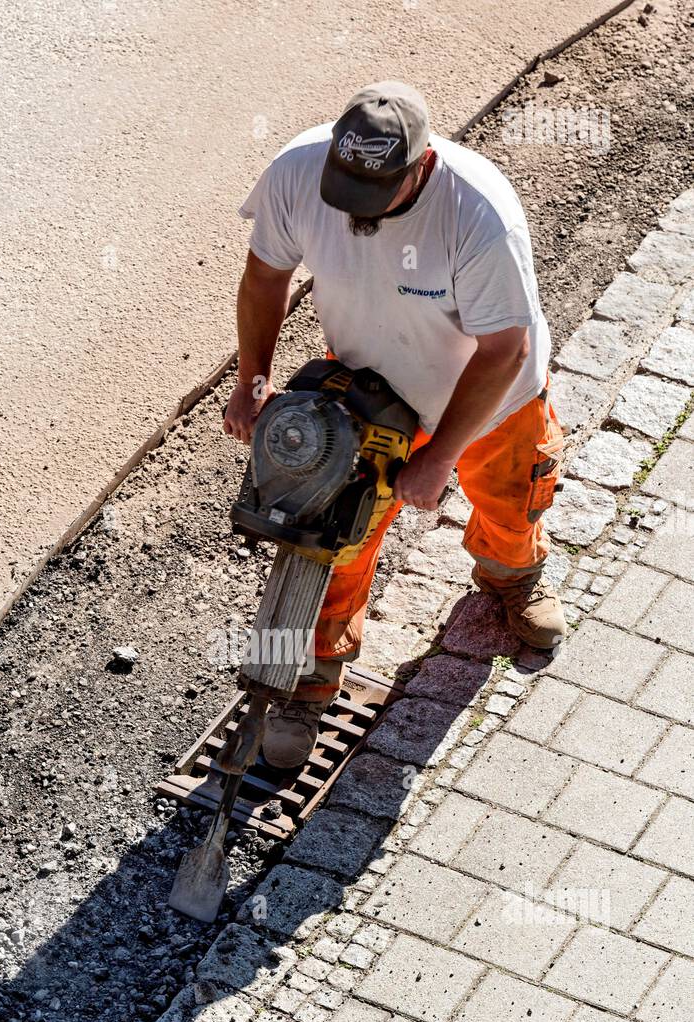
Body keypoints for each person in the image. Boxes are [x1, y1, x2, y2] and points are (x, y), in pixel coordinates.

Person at [225, 81, 565, 769]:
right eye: (345, 190)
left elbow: (506, 350)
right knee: (331, 535)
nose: (356, 215)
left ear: (423, 165)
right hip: (368, 392)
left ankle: (511, 578)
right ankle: (311, 678)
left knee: (510, 497)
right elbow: (265, 279)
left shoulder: (476, 212)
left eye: (374, 197)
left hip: (489, 396)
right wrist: (251, 380)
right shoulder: (298, 172)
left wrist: (438, 456)